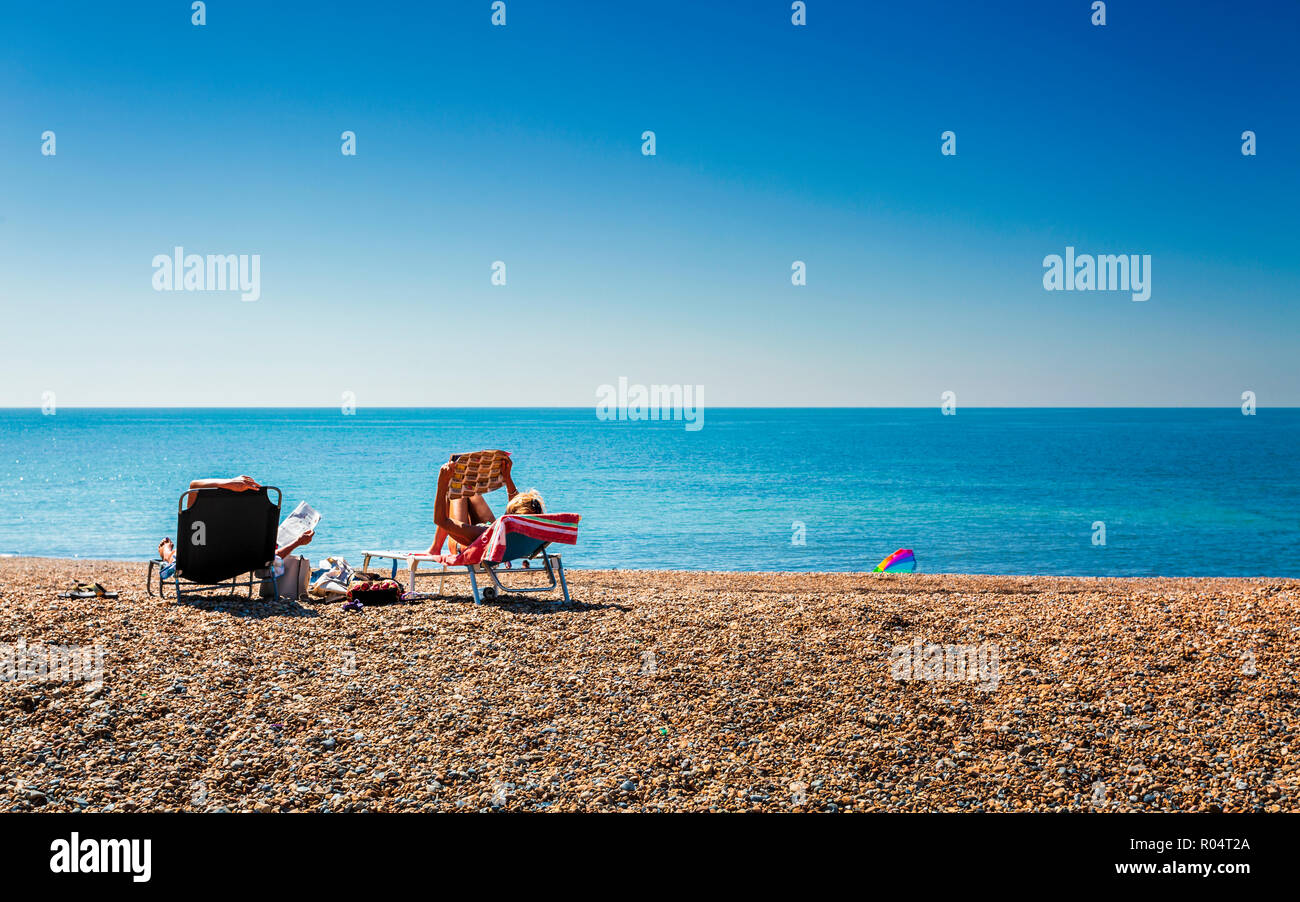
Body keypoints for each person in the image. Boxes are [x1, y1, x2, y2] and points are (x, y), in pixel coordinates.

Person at [157, 476, 314, 576]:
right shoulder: (250, 528)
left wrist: (227, 483)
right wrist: (298, 542)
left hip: (196, 568)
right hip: (233, 567)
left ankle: (166, 552)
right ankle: (169, 552)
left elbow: (194, 485)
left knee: (183, 551)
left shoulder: (212, 523)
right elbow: (270, 557)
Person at [431, 457, 545, 554]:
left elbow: (441, 521)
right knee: (468, 490)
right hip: (494, 536)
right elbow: (517, 510)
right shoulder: (527, 533)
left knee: (456, 489)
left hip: (463, 544)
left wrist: (442, 484)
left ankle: (436, 547)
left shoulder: (483, 532)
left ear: (510, 516)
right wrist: (507, 477)